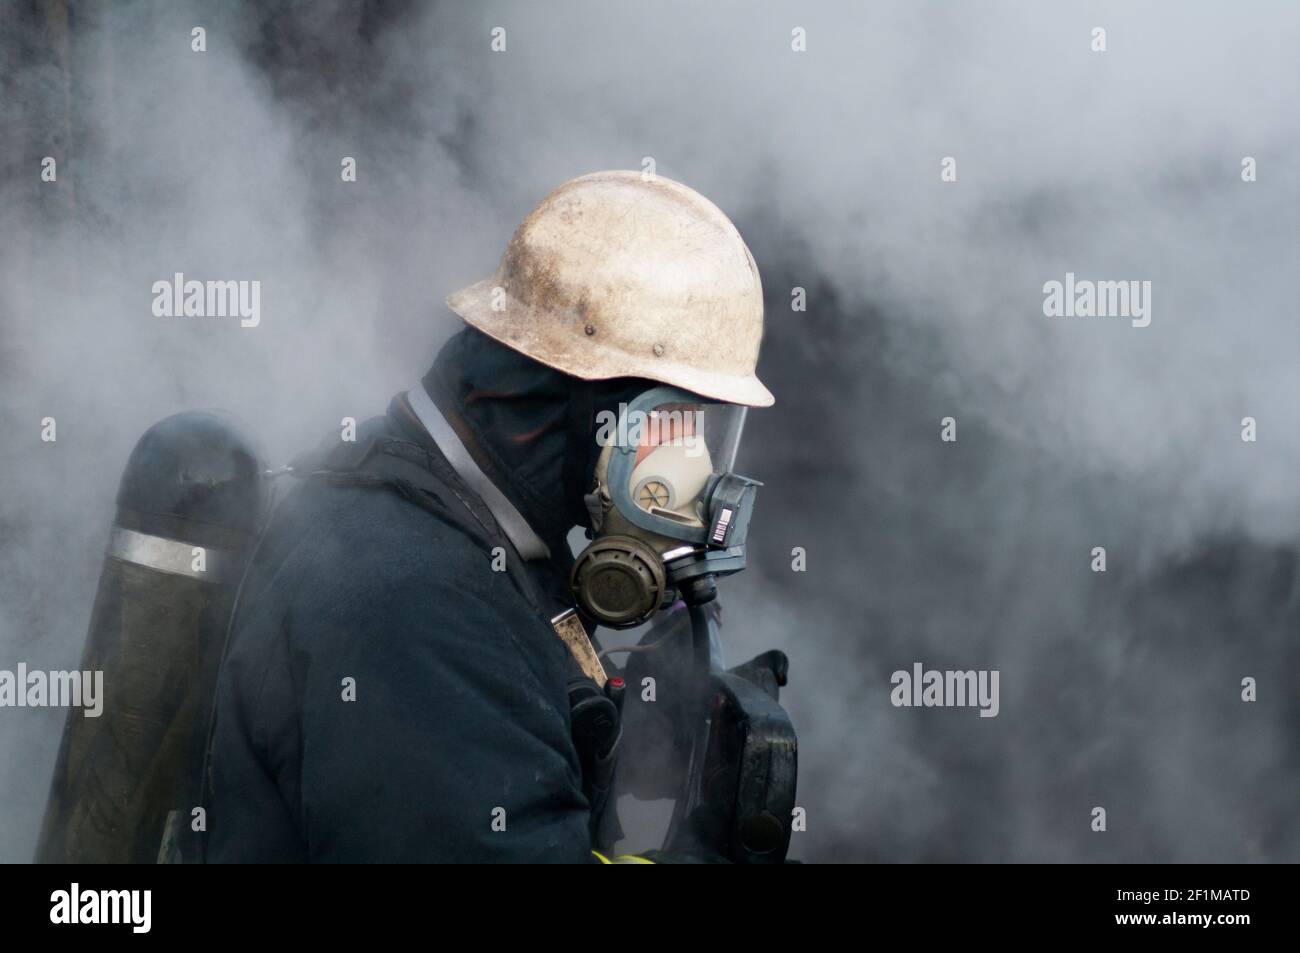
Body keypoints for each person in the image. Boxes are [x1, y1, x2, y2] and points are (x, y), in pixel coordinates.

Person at [204, 170, 774, 862]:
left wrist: (645, 745)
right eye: (675, 423)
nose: (698, 470)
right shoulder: (414, 607)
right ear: (589, 414)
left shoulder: (472, 530)